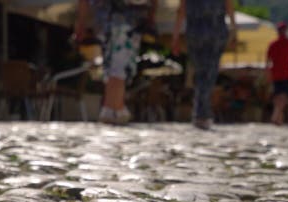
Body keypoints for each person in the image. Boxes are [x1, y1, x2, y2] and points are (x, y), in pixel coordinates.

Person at [76, 0, 157, 125]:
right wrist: (151, 15)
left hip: (109, 17)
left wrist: (81, 21)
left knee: (114, 63)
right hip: (127, 16)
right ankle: (114, 107)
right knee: (120, 63)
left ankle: (113, 106)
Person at [171, 0, 236, 130]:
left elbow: (181, 11)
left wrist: (176, 37)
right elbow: (229, 7)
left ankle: (200, 112)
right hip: (216, 32)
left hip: (195, 33)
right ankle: (202, 112)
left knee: (201, 72)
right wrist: (234, 30)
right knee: (210, 73)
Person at [266, 22, 288, 125]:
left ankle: (278, 118)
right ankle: (276, 117)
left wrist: (267, 73)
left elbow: (267, 62)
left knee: (279, 97)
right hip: (283, 73)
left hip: (280, 73)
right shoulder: (287, 43)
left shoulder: (275, 44)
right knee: (281, 97)